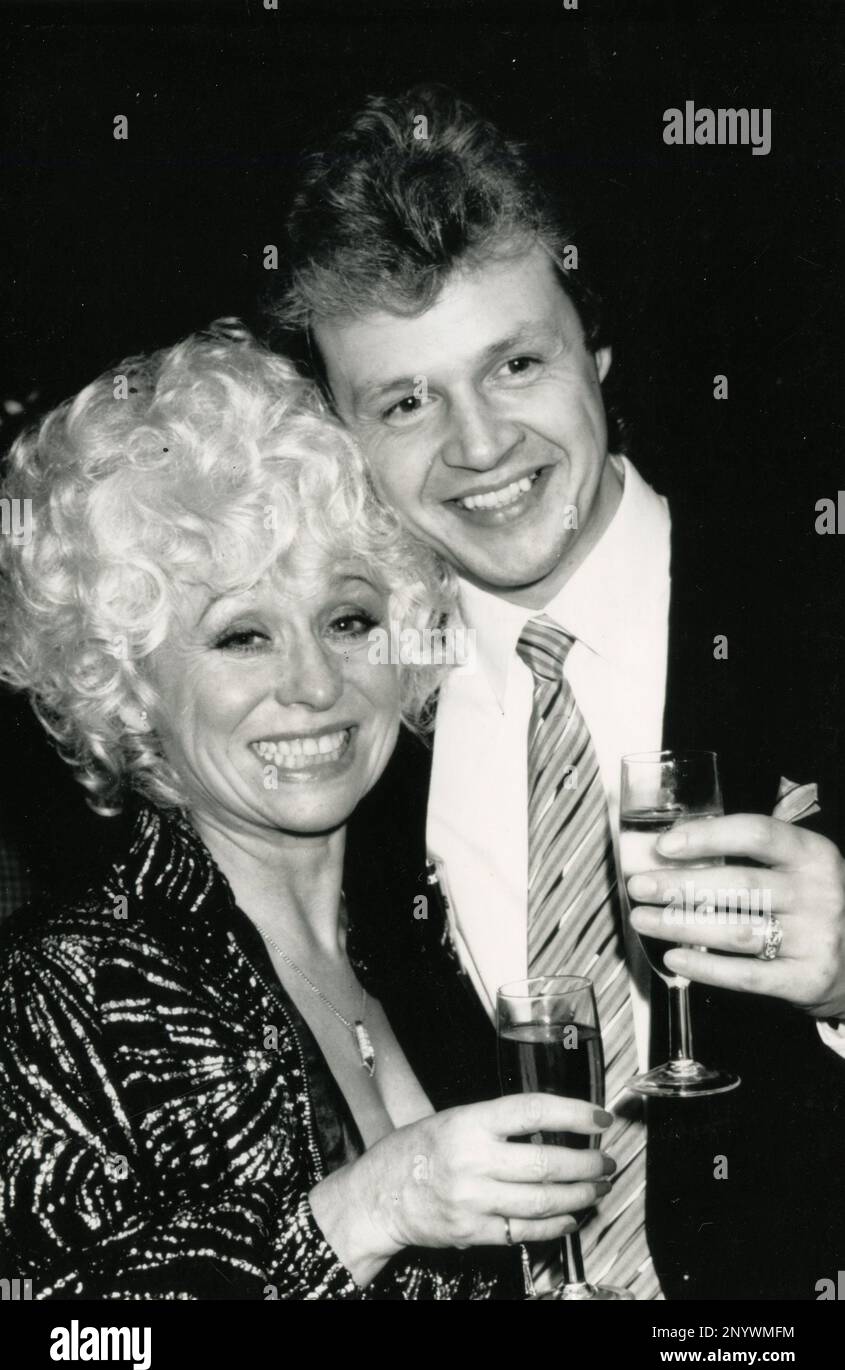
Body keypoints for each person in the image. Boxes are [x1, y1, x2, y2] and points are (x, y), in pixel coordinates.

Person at [267, 85, 845, 1300]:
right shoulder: (345, 725)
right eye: (405, 400)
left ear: (598, 349)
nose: (477, 447)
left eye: (515, 362)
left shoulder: (812, 604)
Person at [0, 326, 618, 1300]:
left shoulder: (435, 941)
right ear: (126, 678)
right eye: (241, 635)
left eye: (348, 619)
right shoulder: (68, 993)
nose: (314, 682)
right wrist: (369, 1209)